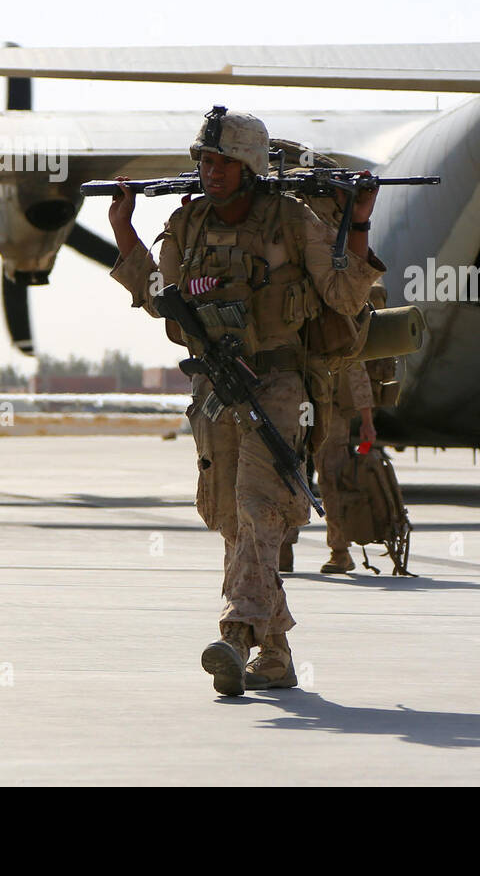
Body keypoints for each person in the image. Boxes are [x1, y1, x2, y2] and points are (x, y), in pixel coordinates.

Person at [106, 107, 383, 697]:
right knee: (231, 518)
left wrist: (357, 225)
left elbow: (342, 292)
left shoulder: (291, 220)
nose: (212, 172)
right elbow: (161, 299)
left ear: (251, 166)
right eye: (204, 161)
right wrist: (125, 232)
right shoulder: (189, 226)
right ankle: (276, 654)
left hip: (278, 384)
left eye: (224, 163)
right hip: (214, 387)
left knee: (260, 506)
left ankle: (233, 635)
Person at [313, 359, 377, 573]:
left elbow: (355, 367)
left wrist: (367, 421)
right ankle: (282, 547)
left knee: (332, 480)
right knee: (286, 476)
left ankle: (340, 550)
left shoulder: (334, 327)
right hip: (293, 404)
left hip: (330, 410)